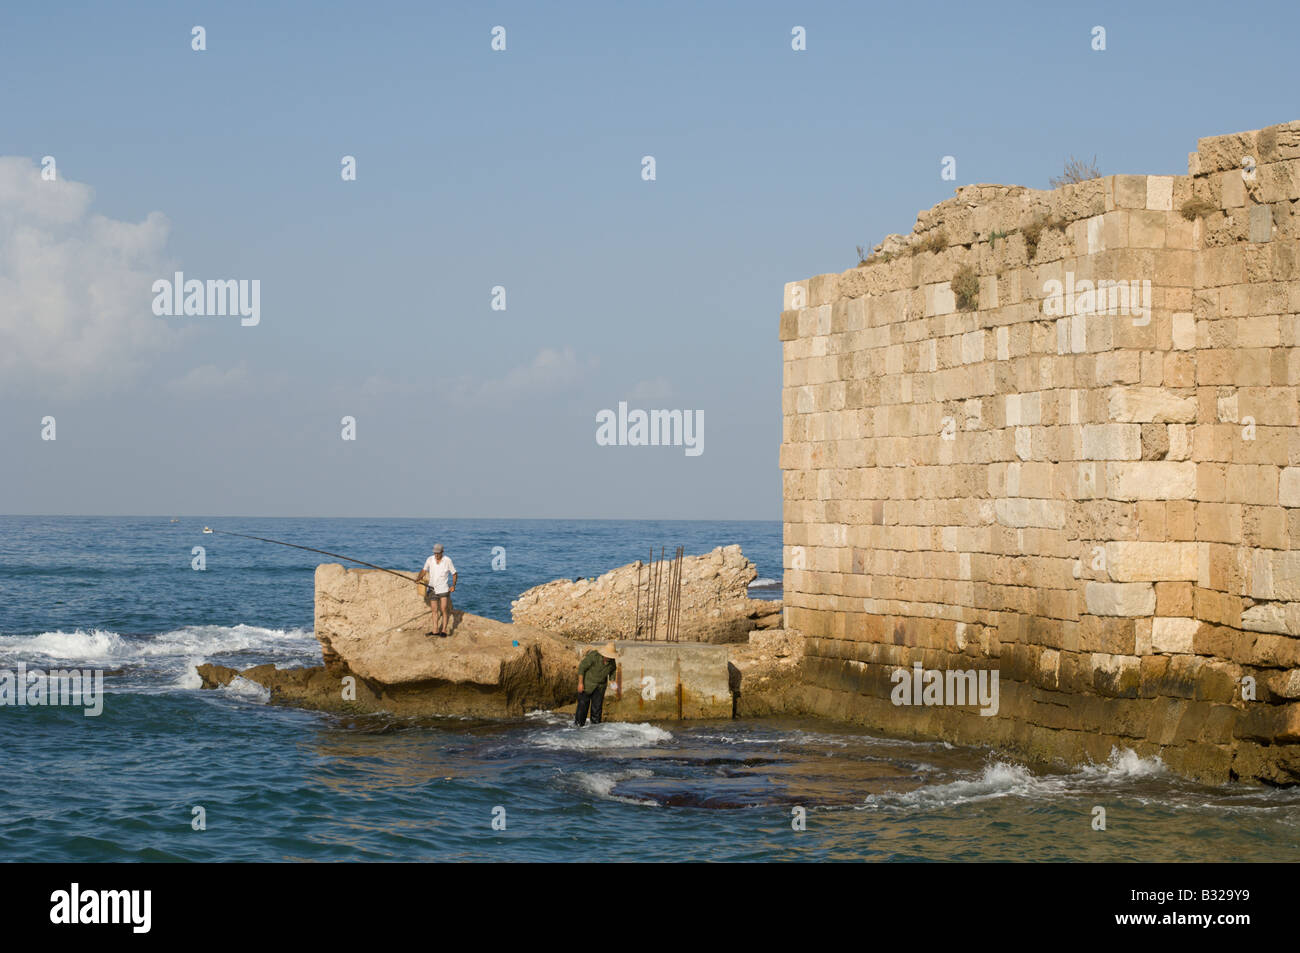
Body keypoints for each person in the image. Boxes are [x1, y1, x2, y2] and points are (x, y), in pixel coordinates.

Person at [415, 543, 457, 637]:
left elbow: (454, 573)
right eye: (435, 553)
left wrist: (453, 585)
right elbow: (424, 570)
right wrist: (418, 578)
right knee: (434, 610)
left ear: (442, 552)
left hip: (443, 589)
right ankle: (435, 630)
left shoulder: (447, 560)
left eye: (438, 553)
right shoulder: (430, 559)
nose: (436, 555)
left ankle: (444, 630)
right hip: (432, 588)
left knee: (444, 609)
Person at [575, 642, 619, 726]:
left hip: (600, 687)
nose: (608, 658)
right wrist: (580, 683)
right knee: (582, 707)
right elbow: (582, 668)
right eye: (608, 655)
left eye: (610, 656)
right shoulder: (594, 656)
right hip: (587, 685)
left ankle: (595, 730)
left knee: (597, 710)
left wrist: (612, 681)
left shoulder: (612, 661)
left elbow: (613, 671)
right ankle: (578, 728)